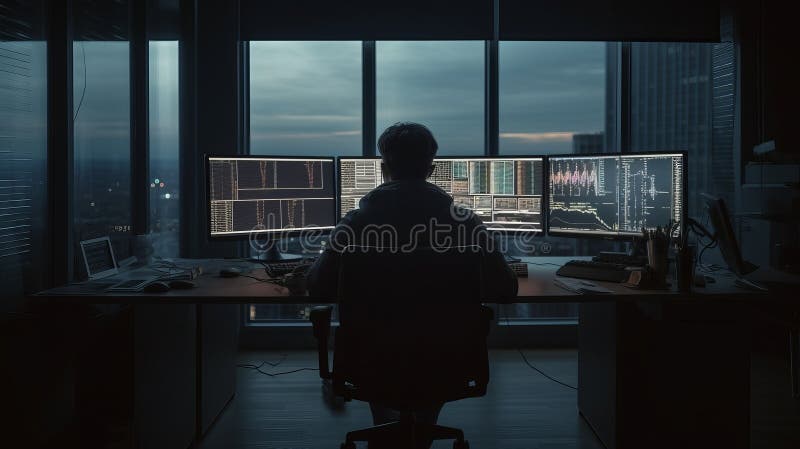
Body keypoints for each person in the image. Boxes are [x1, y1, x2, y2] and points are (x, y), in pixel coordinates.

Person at [306, 122, 518, 448]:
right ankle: (418, 435)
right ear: (431, 169)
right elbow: (505, 288)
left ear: (383, 167)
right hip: (448, 360)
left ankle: (392, 435)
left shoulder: (356, 222)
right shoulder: (465, 222)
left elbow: (318, 288)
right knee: (429, 363)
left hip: (371, 362)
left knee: (383, 354)